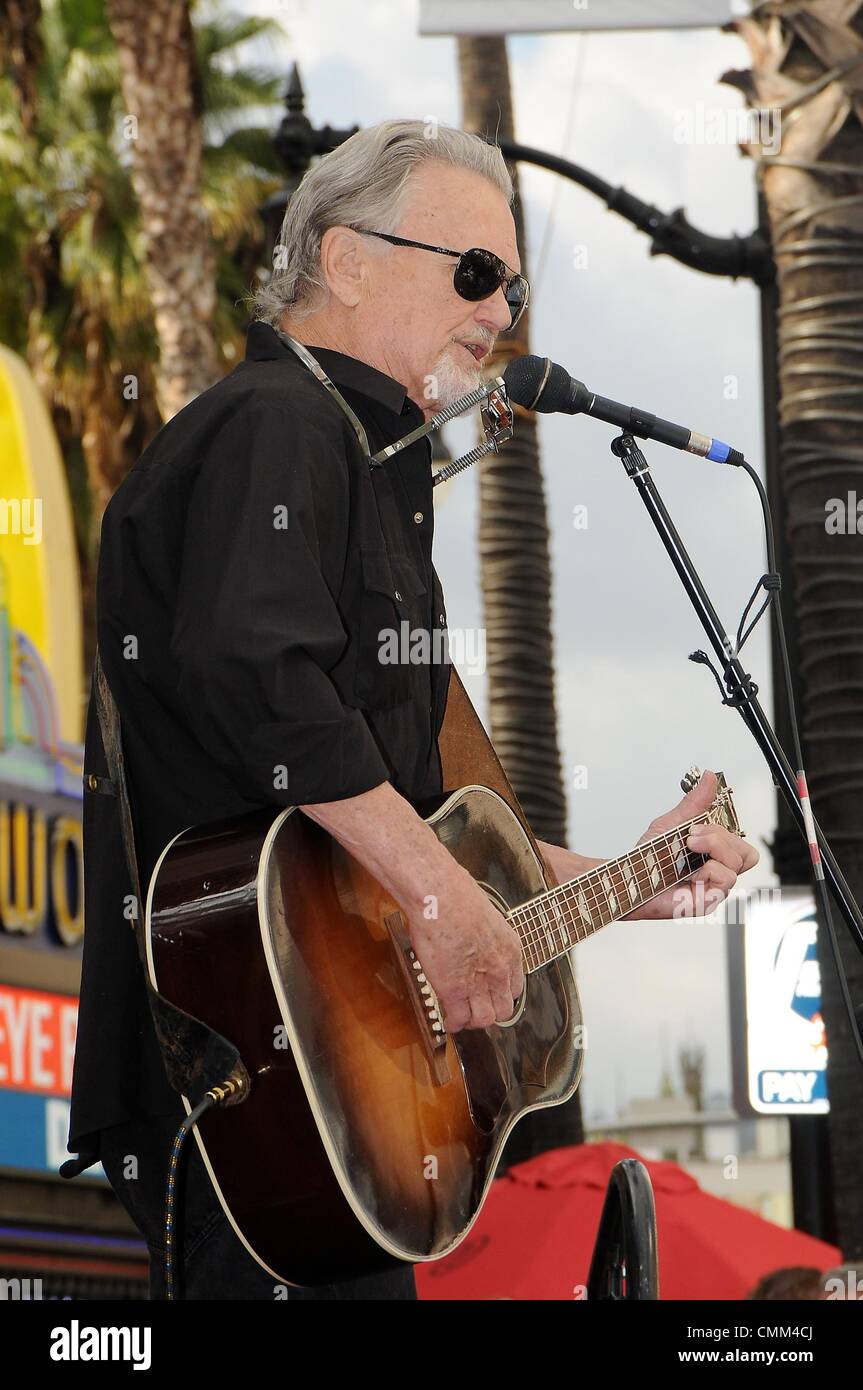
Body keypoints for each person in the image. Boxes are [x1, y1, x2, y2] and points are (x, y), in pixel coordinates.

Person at [66, 119, 759, 1300]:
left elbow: (425, 829)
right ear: (344, 261)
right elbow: (257, 678)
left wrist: (626, 878)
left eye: (516, 285)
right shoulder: (274, 426)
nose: (501, 315)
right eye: (475, 273)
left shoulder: (370, 469)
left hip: (340, 1122)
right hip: (258, 1085)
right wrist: (442, 899)